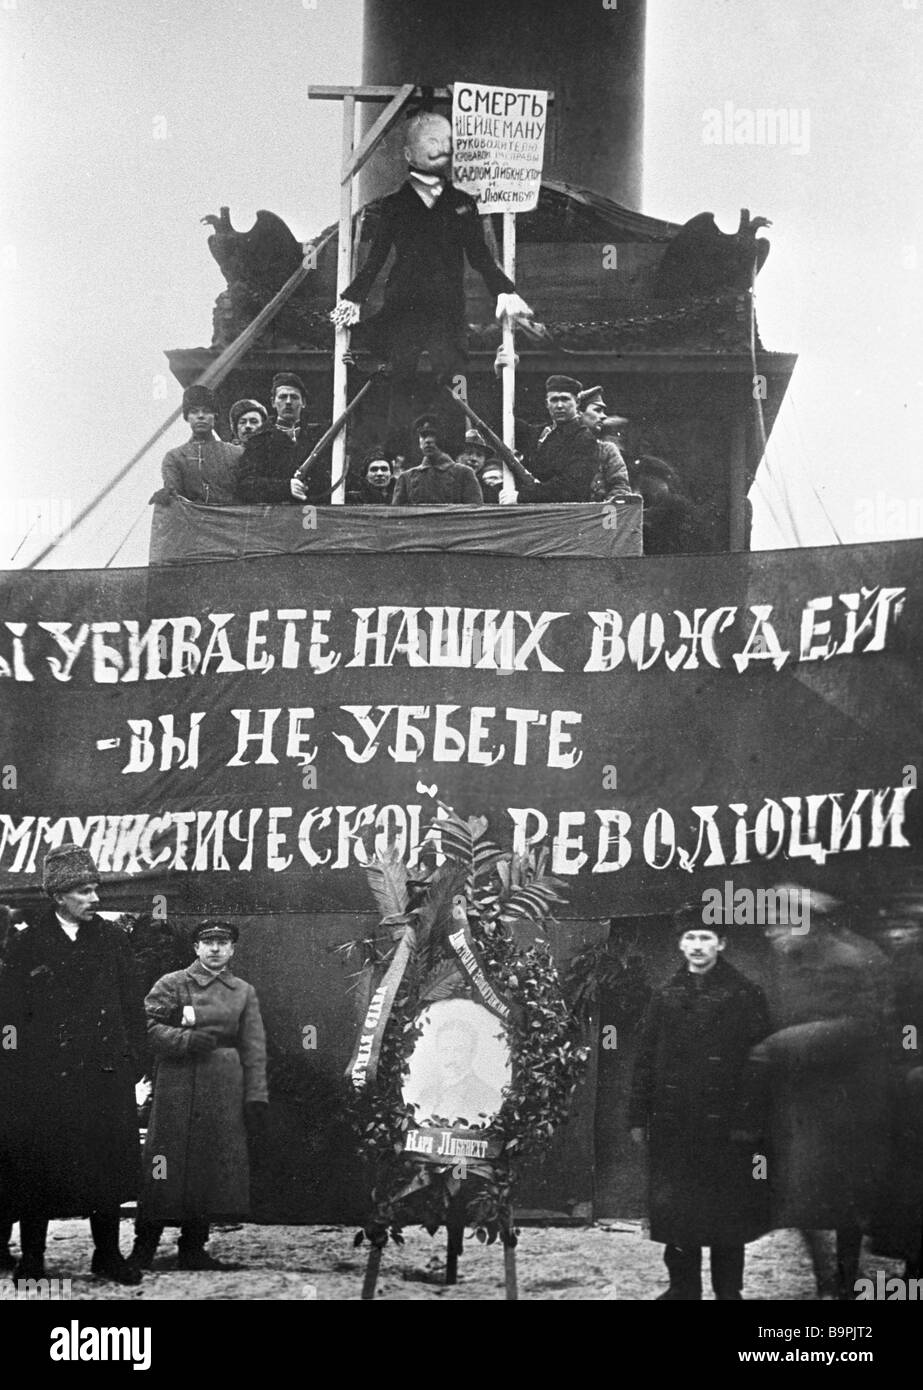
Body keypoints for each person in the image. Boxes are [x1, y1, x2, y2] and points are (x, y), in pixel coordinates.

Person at [331, 111, 532, 448]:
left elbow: (479, 255)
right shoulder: (394, 206)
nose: (442, 148)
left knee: (452, 377)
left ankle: (453, 450)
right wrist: (354, 296)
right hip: (403, 308)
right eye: (432, 141)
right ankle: (396, 456)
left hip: (446, 308)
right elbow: (377, 257)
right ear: (409, 154)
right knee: (400, 377)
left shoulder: (461, 203)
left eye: (446, 142)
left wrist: (505, 290)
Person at [0, 845, 147, 1285]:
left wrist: (134, 1056)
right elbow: (10, 1013)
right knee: (38, 1167)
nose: (95, 899)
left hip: (102, 1076)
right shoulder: (27, 943)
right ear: (60, 895)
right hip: (43, 1080)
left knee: (105, 1164)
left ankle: (107, 1255)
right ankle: (32, 1258)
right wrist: (16, 1071)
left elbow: (130, 1003)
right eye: (85, 891)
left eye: (95, 889)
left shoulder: (112, 939)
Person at [751, 886, 894, 1300]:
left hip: (850, 1100)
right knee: (805, 1200)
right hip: (806, 1099)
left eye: (779, 921)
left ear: (806, 921)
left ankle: (843, 1283)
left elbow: (863, 1027)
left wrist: (785, 1043)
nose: (770, 932)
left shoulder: (851, 960)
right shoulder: (795, 960)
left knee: (841, 1201)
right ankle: (828, 1282)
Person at [628, 909, 770, 1300]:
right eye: (690, 938)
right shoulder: (665, 995)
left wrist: (749, 1122)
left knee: (726, 1215)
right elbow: (645, 1060)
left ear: (721, 943)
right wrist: (637, 1116)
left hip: (725, 1127)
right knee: (677, 1213)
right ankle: (682, 1288)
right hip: (675, 1123)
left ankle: (729, 1290)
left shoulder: (745, 994)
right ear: (680, 943)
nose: (697, 947)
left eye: (706, 938)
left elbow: (760, 1066)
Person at [132, 920, 268, 1272]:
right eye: (207, 942)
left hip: (222, 1090)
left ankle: (194, 1247)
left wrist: (255, 1096)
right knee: (164, 1165)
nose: (215, 949)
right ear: (195, 948)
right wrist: (184, 1040)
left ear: (233, 949)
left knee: (209, 1169)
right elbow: (145, 1026)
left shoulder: (243, 991)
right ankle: (143, 1248)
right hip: (177, 1086)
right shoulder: (172, 983)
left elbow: (254, 1047)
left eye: (223, 943)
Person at [503, 376, 600, 503]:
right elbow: (501, 418)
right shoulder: (537, 433)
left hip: (566, 516)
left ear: (577, 403)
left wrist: (521, 497)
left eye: (565, 399)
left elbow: (571, 488)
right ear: (546, 404)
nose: (559, 405)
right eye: (554, 400)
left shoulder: (584, 439)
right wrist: (501, 374)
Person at [235, 372, 327, 504]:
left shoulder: (318, 436)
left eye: (294, 397)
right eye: (283, 397)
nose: (288, 402)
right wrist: (285, 487)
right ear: (273, 402)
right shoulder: (259, 439)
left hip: (313, 514)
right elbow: (246, 485)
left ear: (303, 402)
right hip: (275, 516)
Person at [159, 384, 243, 505]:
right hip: (192, 522)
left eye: (207, 411)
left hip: (228, 521)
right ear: (187, 417)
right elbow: (175, 499)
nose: (201, 416)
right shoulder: (175, 457)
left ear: (215, 416)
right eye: (194, 411)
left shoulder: (236, 454)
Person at [415, 1019, 501, 1126]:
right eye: (445, 1050)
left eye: (458, 1050)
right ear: (437, 1051)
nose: (451, 1057)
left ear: (472, 1053)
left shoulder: (489, 1097)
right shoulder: (425, 1095)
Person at [392, 413, 483, 505]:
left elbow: (475, 513)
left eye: (434, 435)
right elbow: (396, 515)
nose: (428, 440)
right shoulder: (406, 478)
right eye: (423, 436)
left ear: (444, 438)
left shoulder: (464, 474)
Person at [629, 455, 695, 554]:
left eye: (650, 478)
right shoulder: (640, 505)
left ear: (662, 481)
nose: (642, 485)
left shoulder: (676, 504)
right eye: (640, 480)